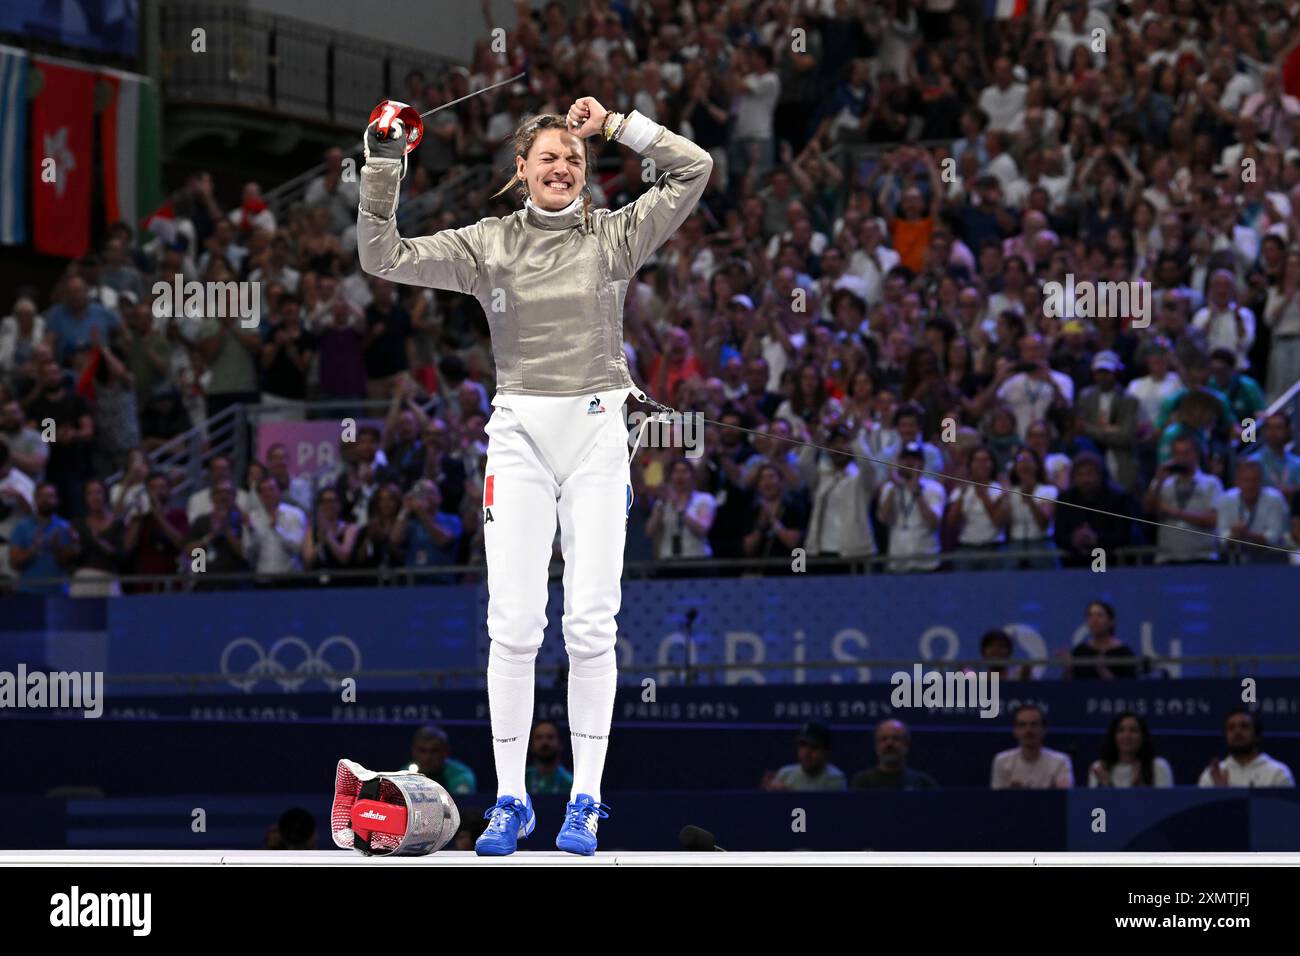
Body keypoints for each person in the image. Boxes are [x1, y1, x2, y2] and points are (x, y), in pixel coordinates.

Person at [358, 95, 711, 855]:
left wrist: (618, 126)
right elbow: (380, 255)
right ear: (521, 170)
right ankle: (511, 800)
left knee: (590, 625)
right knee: (513, 626)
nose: (562, 167)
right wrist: (385, 165)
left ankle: (584, 799)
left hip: (595, 439)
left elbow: (694, 167)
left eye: (574, 159)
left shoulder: (613, 236)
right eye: (548, 157)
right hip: (518, 435)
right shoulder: (487, 243)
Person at [1198, 710, 1295, 788]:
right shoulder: (1211, 775)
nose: (1237, 732)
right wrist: (1220, 793)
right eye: (1231, 728)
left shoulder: (1277, 773)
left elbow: (1284, 810)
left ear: (1257, 735)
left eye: (1244, 726)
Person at [990, 704, 1073, 789]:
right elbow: (997, 799)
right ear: (1015, 730)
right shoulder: (1002, 761)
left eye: (1034, 724)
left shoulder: (1061, 762)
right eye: (1022, 725)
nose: (1028, 730)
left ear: (1044, 729)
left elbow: (1065, 797)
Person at [1089, 712, 1173, 787]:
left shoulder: (1157, 767)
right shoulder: (1100, 768)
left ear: (1143, 736)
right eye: (1121, 730)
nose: (1127, 736)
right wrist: (1107, 786)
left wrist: (1140, 789)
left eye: (1133, 730)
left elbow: (1166, 802)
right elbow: (1094, 803)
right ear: (1113, 736)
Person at [850, 719, 938, 790]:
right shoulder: (862, 783)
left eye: (896, 738)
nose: (889, 743)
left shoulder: (923, 783)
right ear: (876, 746)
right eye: (883, 739)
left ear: (906, 745)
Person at [762, 722, 847, 791]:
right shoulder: (785, 774)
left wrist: (789, 797)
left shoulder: (835, 779)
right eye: (803, 745)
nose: (807, 753)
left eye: (814, 747)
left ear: (826, 751)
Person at [1066, 600, 1140, 680]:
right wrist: (1069, 667)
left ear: (1111, 621)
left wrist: (1103, 671)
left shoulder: (1124, 653)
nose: (1094, 620)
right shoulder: (1080, 651)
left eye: (1099, 615)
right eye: (1090, 616)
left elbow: (1130, 689)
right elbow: (1068, 686)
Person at [406, 725, 477, 795]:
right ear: (413, 751)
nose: (427, 758)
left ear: (446, 752)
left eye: (434, 751)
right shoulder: (405, 773)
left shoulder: (461, 775)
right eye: (422, 751)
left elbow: (461, 804)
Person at [524, 720, 574, 796]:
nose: (544, 742)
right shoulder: (522, 781)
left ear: (560, 744)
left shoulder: (572, 783)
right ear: (531, 745)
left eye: (550, 737)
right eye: (539, 737)